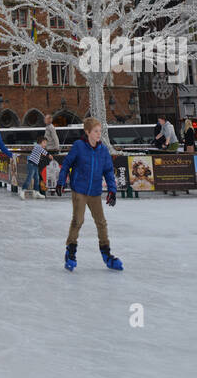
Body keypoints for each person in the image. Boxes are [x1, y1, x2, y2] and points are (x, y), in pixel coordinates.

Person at [56, 116, 122, 271]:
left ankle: (106, 253)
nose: (99, 134)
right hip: (79, 189)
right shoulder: (79, 146)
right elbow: (66, 164)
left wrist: (112, 190)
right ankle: (70, 251)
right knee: (78, 220)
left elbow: (108, 171)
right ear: (87, 132)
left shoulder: (103, 150)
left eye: (100, 131)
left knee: (101, 222)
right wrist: (60, 182)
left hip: (95, 192)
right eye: (95, 131)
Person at [21, 132, 48, 200]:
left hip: (35, 165)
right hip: (31, 164)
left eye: (46, 143)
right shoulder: (38, 146)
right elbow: (43, 151)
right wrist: (49, 155)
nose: (45, 144)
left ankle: (36, 192)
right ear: (40, 142)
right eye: (44, 142)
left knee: (37, 178)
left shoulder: (38, 147)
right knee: (29, 178)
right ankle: (23, 191)